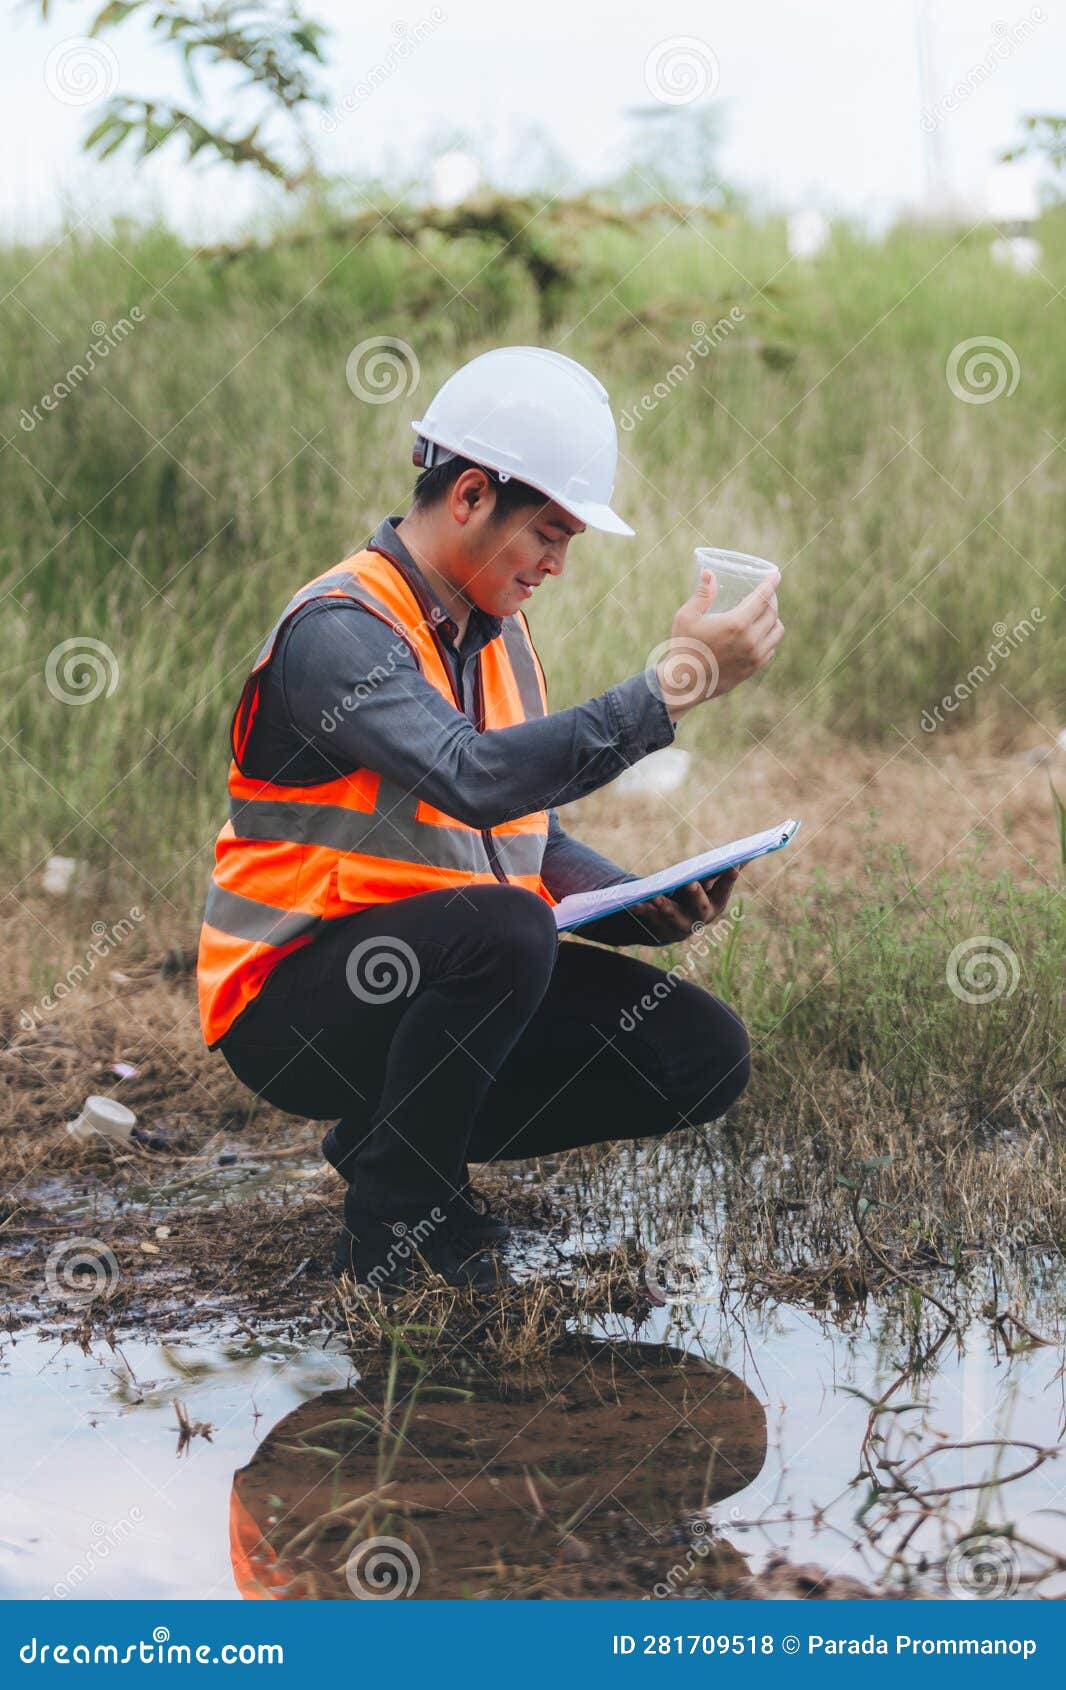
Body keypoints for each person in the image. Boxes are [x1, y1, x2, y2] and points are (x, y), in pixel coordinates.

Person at [196, 346, 784, 1291]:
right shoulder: (340, 630)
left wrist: (641, 903)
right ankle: (396, 1226)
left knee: (703, 1055)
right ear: (469, 495)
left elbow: (525, 836)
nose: (556, 564)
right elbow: (469, 778)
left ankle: (392, 1138)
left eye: (569, 542)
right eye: (549, 532)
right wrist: (676, 685)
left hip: (440, 977)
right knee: (505, 934)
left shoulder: (499, 638)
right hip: (288, 1007)